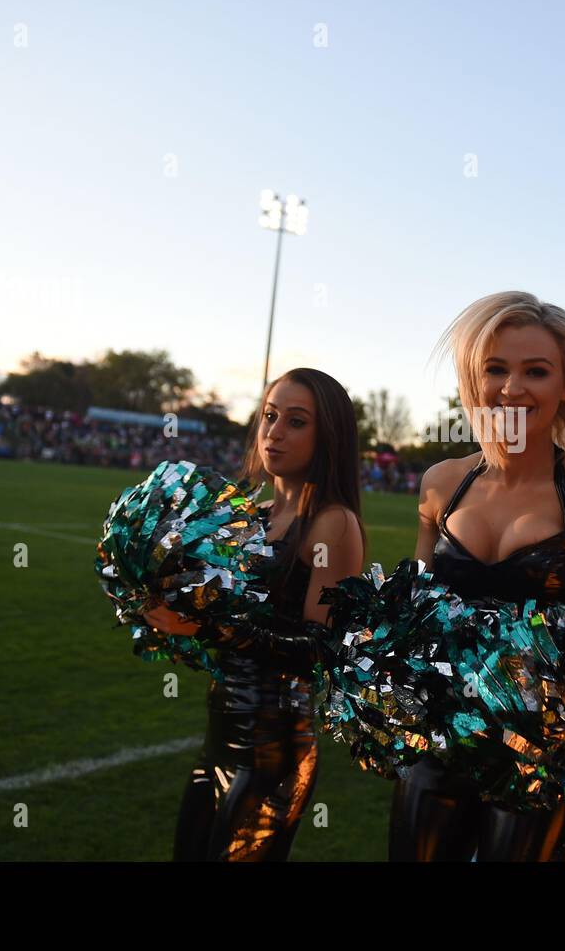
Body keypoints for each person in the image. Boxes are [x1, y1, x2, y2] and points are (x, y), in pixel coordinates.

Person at [389, 291, 565, 862]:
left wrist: (542, 705)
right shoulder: (439, 483)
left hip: (535, 756)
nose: (511, 388)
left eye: (536, 371)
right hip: (437, 745)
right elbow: (417, 610)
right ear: (473, 381)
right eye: (495, 369)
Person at [145, 368, 365, 861]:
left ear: (327, 436)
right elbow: (231, 618)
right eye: (269, 415)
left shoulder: (332, 524)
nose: (274, 431)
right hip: (218, 742)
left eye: (296, 421)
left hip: (274, 750)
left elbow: (318, 650)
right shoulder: (252, 514)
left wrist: (210, 626)